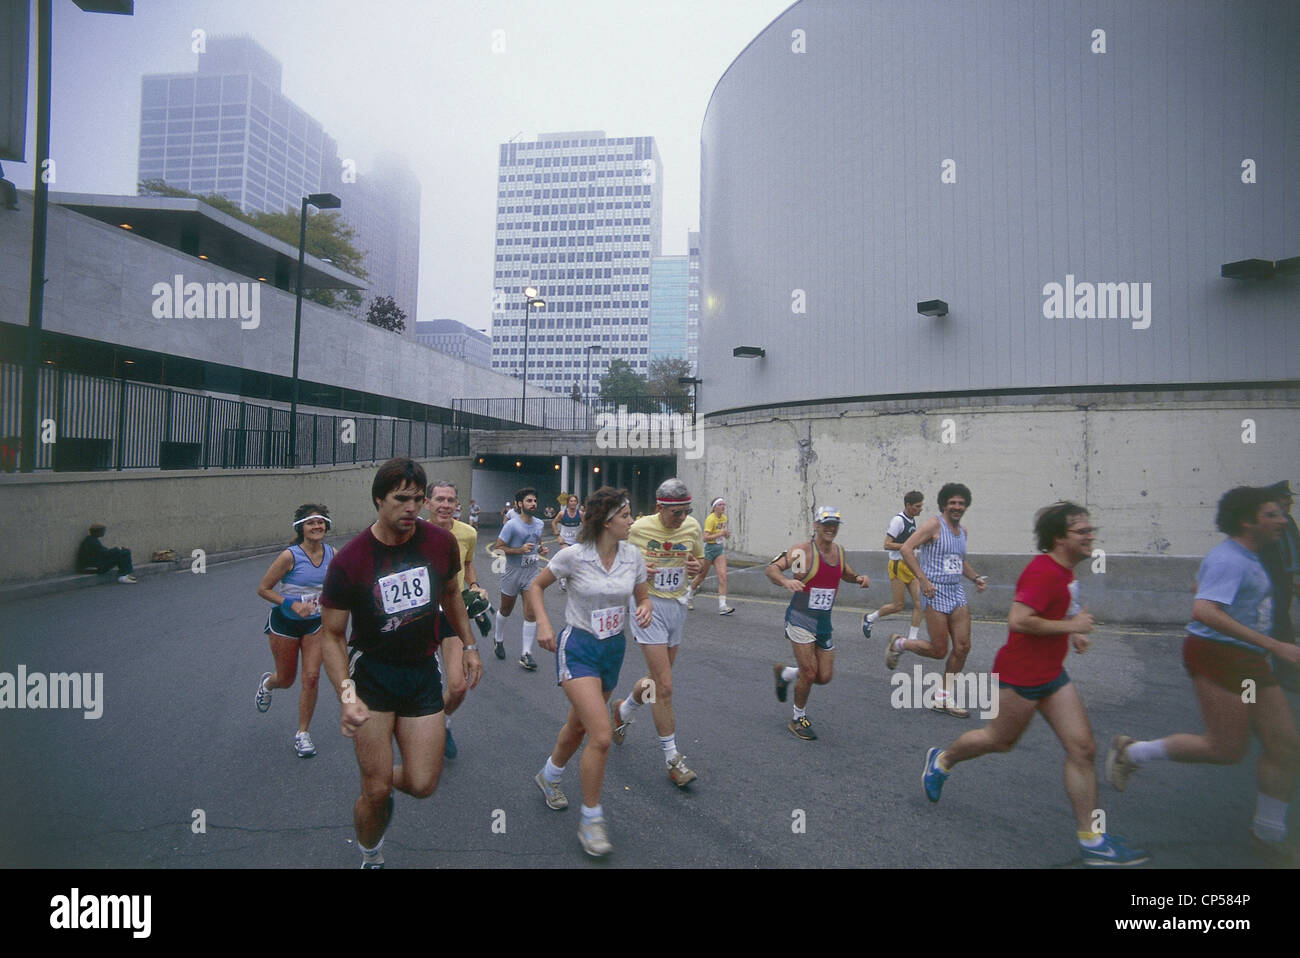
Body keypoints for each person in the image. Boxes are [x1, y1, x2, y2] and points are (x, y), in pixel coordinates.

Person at [920, 502, 1149, 866]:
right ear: (1059, 538)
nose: (1091, 537)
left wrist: (1072, 628)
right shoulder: (1042, 571)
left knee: (1084, 749)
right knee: (999, 740)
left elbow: (1063, 606)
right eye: (1082, 532)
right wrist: (1072, 627)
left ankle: (1092, 840)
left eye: (1091, 531)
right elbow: (1018, 620)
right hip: (1021, 674)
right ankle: (942, 760)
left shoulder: (1066, 571)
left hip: (1052, 674)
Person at [1106, 486, 1300, 861]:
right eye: (1272, 514)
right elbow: (1204, 611)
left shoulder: (1250, 553)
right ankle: (1132, 752)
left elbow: (1204, 588)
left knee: (1285, 745)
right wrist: (1277, 646)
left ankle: (1269, 834)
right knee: (1226, 749)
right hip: (1218, 656)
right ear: (1247, 520)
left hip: (1249, 660)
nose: (1282, 520)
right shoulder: (1230, 558)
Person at [319, 458, 481, 868]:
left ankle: (374, 774)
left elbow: (451, 596)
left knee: (424, 783)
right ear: (378, 500)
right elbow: (332, 637)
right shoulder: (350, 561)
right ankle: (371, 853)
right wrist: (345, 695)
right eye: (400, 499)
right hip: (373, 675)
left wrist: (469, 643)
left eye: (416, 498)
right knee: (375, 795)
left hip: (421, 673)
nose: (411, 507)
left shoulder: (440, 543)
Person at [527, 486, 651, 857]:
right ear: (608, 520)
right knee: (600, 735)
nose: (631, 521)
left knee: (578, 725)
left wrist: (643, 608)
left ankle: (549, 776)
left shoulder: (633, 557)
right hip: (578, 648)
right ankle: (591, 819)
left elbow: (641, 596)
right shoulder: (573, 557)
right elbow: (536, 585)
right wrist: (544, 625)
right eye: (626, 515)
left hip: (612, 649)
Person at [608, 478, 705, 787]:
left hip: (676, 607)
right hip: (646, 607)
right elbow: (611, 561)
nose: (681, 518)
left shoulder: (692, 527)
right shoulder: (637, 529)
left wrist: (695, 567)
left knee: (654, 679)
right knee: (664, 685)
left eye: (685, 511)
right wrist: (637, 571)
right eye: (675, 513)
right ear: (659, 508)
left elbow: (701, 560)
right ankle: (673, 760)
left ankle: (623, 711)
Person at [885, 482, 988, 717]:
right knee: (939, 650)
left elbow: (959, 561)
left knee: (963, 646)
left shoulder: (962, 531)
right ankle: (899, 644)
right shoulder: (933, 524)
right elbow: (907, 549)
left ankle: (942, 697)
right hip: (934, 591)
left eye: (961, 503)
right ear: (944, 504)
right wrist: (922, 580)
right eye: (952, 502)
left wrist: (975, 578)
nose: (957, 506)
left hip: (956, 592)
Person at [768, 506, 870, 740]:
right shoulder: (803, 553)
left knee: (824, 676)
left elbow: (844, 572)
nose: (830, 529)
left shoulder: (839, 552)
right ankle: (797, 718)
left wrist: (857, 579)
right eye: (826, 524)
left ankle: (785, 674)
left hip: (823, 622)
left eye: (834, 525)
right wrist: (786, 582)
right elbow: (771, 569)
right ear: (816, 526)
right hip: (800, 619)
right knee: (810, 672)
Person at [255, 504, 335, 757]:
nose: (316, 527)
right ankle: (268, 683)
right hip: (285, 623)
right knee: (286, 680)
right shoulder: (289, 556)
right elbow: (263, 589)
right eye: (311, 523)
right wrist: (292, 603)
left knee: (311, 677)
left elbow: (344, 581)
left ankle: (302, 733)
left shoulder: (333, 553)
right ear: (301, 528)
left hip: (316, 624)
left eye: (320, 522)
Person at [425, 481, 489, 760]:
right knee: (419, 684)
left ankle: (442, 721)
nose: (445, 505)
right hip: (418, 617)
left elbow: (467, 563)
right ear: (427, 503)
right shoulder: (413, 532)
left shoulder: (467, 533)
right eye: (439, 499)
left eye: (450, 500)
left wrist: (474, 585)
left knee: (458, 686)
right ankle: (417, 729)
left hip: (452, 611)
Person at [492, 488, 549, 670]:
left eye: (534, 501)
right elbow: (498, 548)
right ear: (519, 504)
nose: (533, 504)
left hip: (531, 574)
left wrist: (540, 550)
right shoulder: (512, 525)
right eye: (529, 501)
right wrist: (518, 550)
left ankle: (526, 653)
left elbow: (537, 542)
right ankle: (498, 638)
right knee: (506, 609)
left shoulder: (539, 523)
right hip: (512, 572)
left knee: (530, 613)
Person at [862, 491, 925, 645]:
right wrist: (907, 546)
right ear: (908, 505)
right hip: (898, 565)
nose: (920, 509)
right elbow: (887, 544)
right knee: (898, 606)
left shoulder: (911, 520)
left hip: (910, 565)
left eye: (921, 506)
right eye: (917, 506)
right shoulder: (898, 521)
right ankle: (870, 618)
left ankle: (912, 639)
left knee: (920, 603)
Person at [1261, 480, 1299, 690]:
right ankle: (1286, 673)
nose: (1290, 501)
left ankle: (1286, 671)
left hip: (1286, 581)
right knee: (1279, 624)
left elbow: (1296, 550)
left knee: (1281, 623)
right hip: (1271, 582)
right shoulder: (1267, 525)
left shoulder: (1289, 522)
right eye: (1286, 498)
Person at [685, 497, 734, 615]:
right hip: (708, 550)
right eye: (720, 505)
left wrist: (726, 534)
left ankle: (722, 605)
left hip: (719, 549)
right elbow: (705, 537)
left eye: (724, 505)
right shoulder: (710, 519)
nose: (723, 507)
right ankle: (688, 595)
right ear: (714, 507)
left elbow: (724, 534)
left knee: (722, 576)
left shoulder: (724, 518)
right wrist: (720, 534)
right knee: (701, 576)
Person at [551, 494, 584, 592]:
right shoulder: (562, 513)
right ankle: (563, 579)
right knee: (566, 559)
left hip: (576, 541)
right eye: (571, 501)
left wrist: (583, 536)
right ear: (568, 503)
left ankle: (573, 579)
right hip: (564, 540)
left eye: (575, 501)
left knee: (576, 561)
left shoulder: (580, 514)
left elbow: (586, 525)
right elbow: (554, 522)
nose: (573, 503)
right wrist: (558, 535)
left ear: (577, 503)